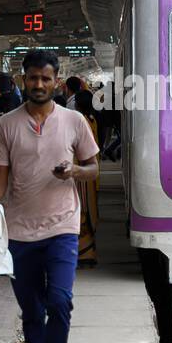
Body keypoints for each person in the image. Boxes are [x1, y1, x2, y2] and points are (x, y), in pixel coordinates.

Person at [0, 50, 99, 343]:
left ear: (56, 81)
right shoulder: (5, 125)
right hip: (19, 232)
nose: (38, 84)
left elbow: (93, 167)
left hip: (63, 226)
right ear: (23, 80)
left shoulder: (74, 121)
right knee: (32, 311)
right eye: (32, 78)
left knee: (60, 302)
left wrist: (74, 173)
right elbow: (0, 178)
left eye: (45, 78)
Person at [73, 89, 100, 267]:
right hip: (90, 173)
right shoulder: (92, 120)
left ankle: (85, 254)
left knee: (81, 213)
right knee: (87, 211)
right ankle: (86, 253)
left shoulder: (80, 121)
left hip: (81, 171)